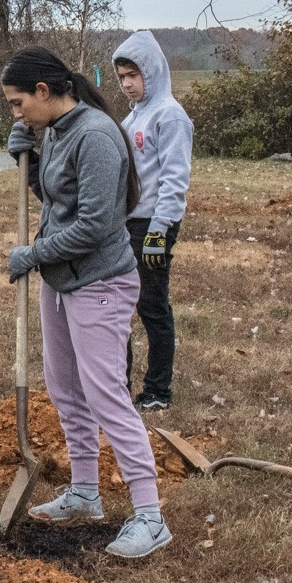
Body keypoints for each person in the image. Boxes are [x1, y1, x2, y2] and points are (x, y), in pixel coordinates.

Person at [4, 46, 171, 559]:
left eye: (16, 104)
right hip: (63, 280)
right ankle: (84, 494)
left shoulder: (96, 135)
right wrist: (26, 161)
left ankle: (150, 516)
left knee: (106, 396)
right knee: (65, 388)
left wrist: (33, 253)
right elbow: (62, 202)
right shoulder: (55, 132)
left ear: (43, 91)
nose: (16, 113)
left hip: (99, 281)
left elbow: (96, 224)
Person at [112, 32, 194, 412]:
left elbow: (175, 178)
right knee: (119, 305)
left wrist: (160, 231)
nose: (128, 83)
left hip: (153, 226)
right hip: (127, 224)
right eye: (122, 76)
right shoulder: (132, 118)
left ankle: (158, 390)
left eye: (134, 74)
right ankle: (118, 385)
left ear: (153, 72)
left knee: (152, 306)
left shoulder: (170, 115)